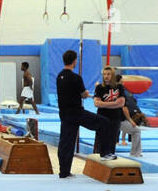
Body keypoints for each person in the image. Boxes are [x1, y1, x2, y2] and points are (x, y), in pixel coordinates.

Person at [55, 50, 112, 178]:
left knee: (66, 143)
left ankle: (64, 172)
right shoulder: (76, 78)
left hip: (64, 114)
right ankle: (105, 153)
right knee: (104, 123)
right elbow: (84, 94)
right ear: (75, 61)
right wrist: (91, 92)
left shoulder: (59, 76)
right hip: (76, 113)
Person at [91, 66, 125, 160]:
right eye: (105, 74)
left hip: (115, 118)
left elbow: (121, 103)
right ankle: (98, 158)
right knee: (100, 140)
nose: (106, 76)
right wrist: (114, 104)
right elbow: (96, 103)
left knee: (112, 140)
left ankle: (110, 156)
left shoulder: (119, 87)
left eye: (108, 74)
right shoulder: (99, 87)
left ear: (113, 75)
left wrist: (104, 104)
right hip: (102, 117)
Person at [119, 81, 146, 157]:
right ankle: (134, 153)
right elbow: (125, 110)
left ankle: (136, 152)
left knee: (136, 130)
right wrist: (123, 140)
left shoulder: (131, 100)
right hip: (119, 119)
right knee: (136, 130)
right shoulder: (123, 96)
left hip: (121, 119)